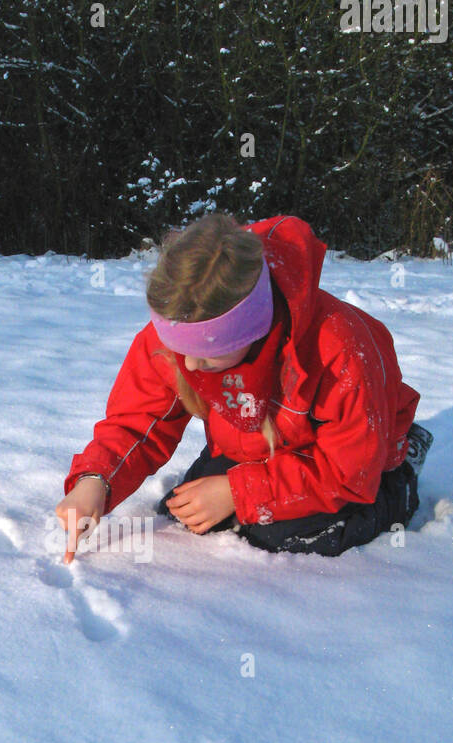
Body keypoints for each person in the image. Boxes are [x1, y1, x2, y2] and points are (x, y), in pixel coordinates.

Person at [56, 212, 433, 563]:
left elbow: (348, 472)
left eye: (207, 355)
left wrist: (238, 492)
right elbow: (138, 421)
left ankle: (400, 481)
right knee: (187, 513)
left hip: (352, 462)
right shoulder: (180, 333)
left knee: (285, 535)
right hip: (257, 447)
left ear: (251, 330)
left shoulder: (339, 348)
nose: (188, 365)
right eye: (180, 350)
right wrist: (96, 481)